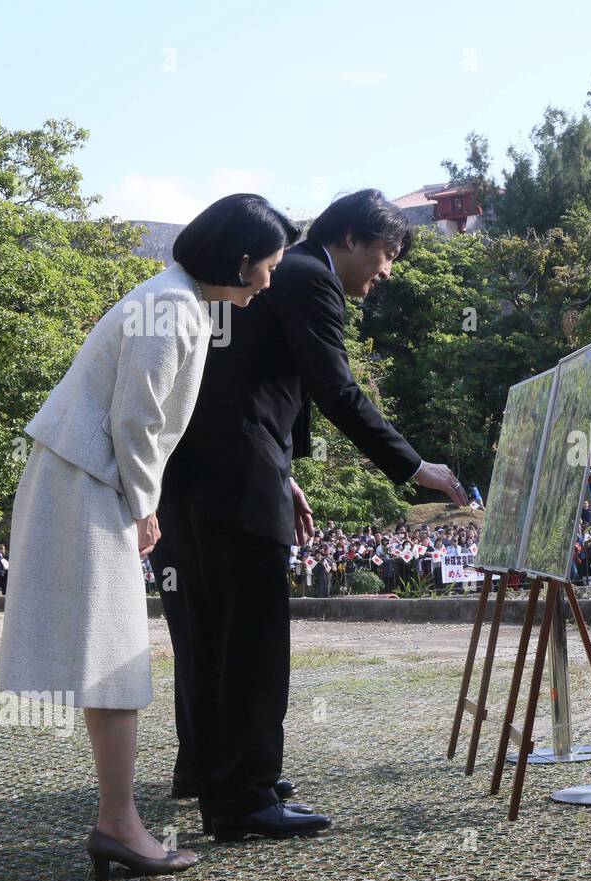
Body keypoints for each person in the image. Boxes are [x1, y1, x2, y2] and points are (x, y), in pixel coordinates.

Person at [0, 193, 299, 879]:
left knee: (114, 655)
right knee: (116, 655)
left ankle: (118, 822)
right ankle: (119, 826)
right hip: (88, 477)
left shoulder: (176, 301)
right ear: (243, 260)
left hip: (82, 473)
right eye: (272, 267)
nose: (272, 281)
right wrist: (145, 504)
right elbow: (136, 420)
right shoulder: (174, 309)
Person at [155, 189, 467, 842]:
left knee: (208, 633)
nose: (386, 272)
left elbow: (251, 380)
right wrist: (415, 468)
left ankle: (213, 766)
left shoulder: (274, 276)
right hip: (237, 480)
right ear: (351, 239)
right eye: (385, 254)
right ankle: (243, 798)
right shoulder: (307, 279)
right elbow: (335, 389)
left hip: (195, 475)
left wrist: (285, 471)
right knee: (254, 640)